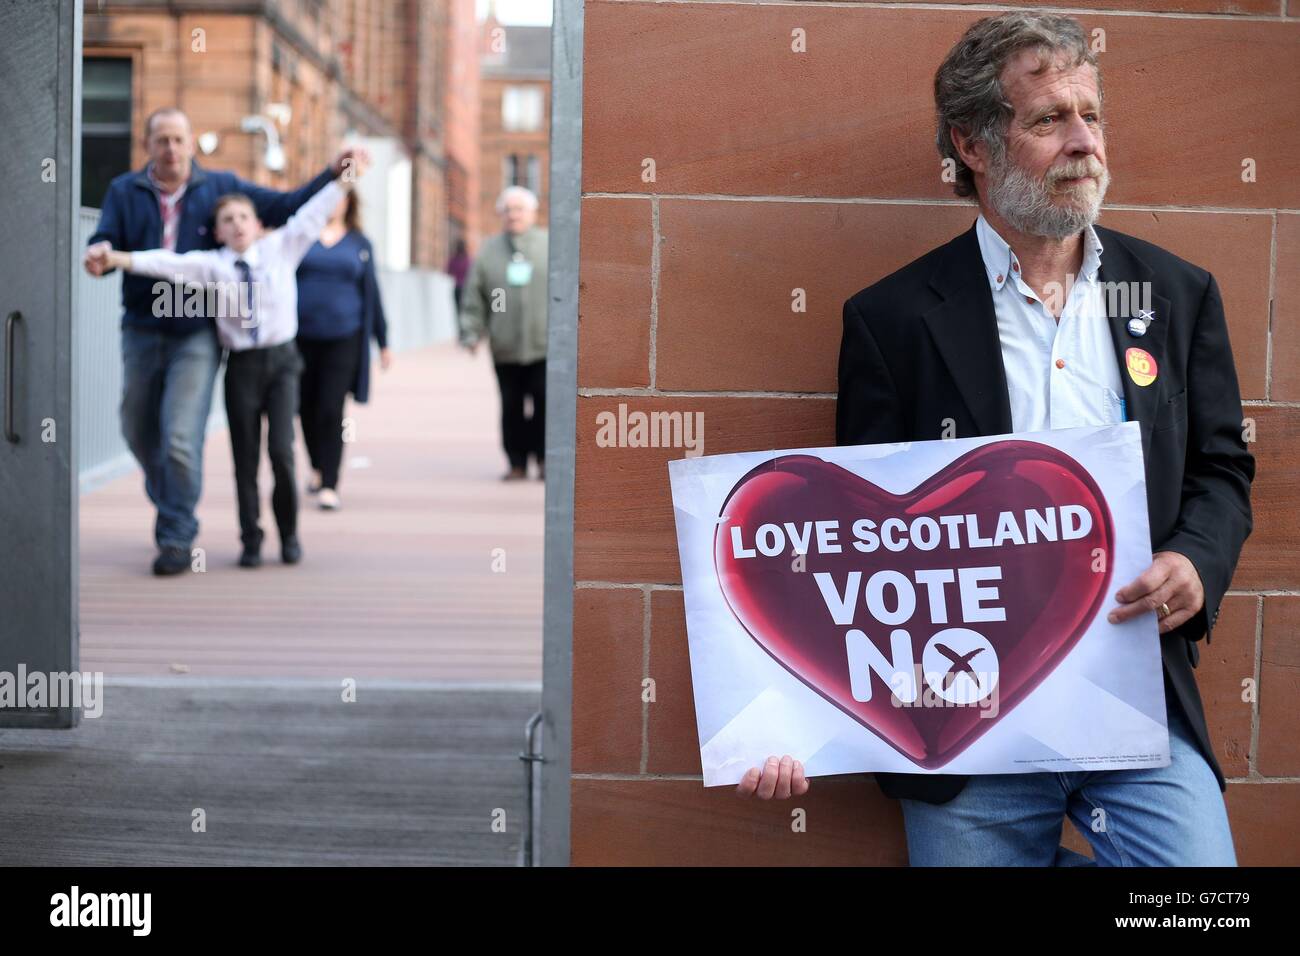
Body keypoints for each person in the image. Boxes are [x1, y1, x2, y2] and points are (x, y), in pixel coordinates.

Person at [737, 11, 1254, 868]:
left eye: (1091, 114)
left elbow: (1221, 467)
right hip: (965, 725)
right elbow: (851, 547)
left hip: (1135, 702)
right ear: (972, 146)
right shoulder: (893, 320)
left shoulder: (1174, 292)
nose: (1084, 142)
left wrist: (1197, 560)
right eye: (1049, 120)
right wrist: (792, 717)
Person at [84, 106, 364, 575]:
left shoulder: (232, 201)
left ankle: (181, 535)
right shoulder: (128, 196)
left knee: (191, 439)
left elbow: (297, 208)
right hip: (146, 328)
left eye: (179, 139)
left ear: (191, 143)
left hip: (206, 337)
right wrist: (107, 254)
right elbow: (150, 257)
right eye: (161, 140)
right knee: (138, 428)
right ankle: (191, 505)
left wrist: (338, 175)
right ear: (147, 145)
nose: (171, 149)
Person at [295, 188, 391, 510]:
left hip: (345, 336)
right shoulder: (300, 237)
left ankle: (330, 483)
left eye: (340, 198)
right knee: (305, 407)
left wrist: (384, 340)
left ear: (349, 203)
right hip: (301, 337)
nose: (334, 204)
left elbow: (372, 293)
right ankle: (318, 467)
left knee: (331, 407)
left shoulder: (359, 244)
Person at [458, 186, 549, 481]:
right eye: (508, 209)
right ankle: (516, 462)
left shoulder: (549, 245)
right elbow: (475, 295)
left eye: (520, 208)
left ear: (533, 213)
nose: (514, 215)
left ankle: (545, 459)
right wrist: (471, 332)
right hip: (505, 345)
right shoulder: (489, 250)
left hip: (545, 346)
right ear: (501, 215)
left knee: (545, 404)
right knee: (511, 406)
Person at [447, 238, 471, 313]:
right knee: (463, 308)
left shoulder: (454, 260)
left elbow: (448, 271)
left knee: (458, 308)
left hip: (458, 287)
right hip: (464, 287)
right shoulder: (467, 260)